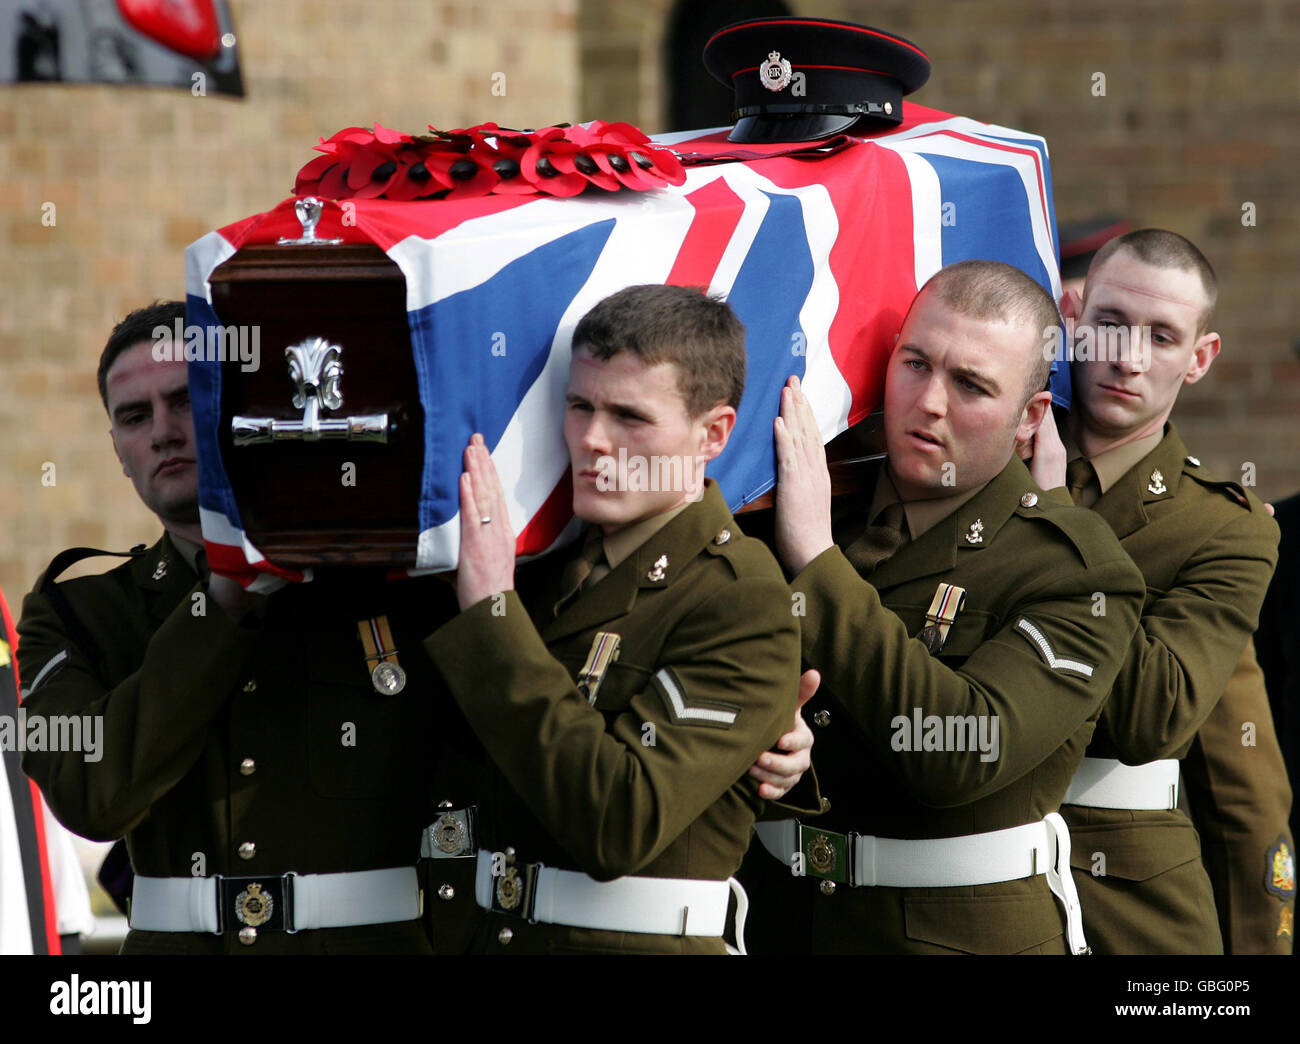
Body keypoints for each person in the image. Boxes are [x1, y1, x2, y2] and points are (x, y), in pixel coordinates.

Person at [19, 298, 815, 955]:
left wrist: (767, 749)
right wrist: (227, 598)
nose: (163, 430)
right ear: (116, 447)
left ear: (241, 412)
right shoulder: (78, 609)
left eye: (188, 403)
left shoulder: (395, 583)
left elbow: (563, 737)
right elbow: (95, 795)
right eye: (133, 415)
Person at [739, 259, 1145, 954]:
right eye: (914, 363)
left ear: (1030, 420)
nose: (929, 402)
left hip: (959, 935)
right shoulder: (793, 508)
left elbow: (962, 749)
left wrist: (815, 560)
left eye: (970, 386)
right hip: (786, 920)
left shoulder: (1076, 570)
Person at [423, 283, 808, 954]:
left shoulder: (739, 597)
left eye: (629, 417)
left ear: (713, 433)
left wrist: (493, 617)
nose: (593, 441)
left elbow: (616, 823)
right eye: (579, 406)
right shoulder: (541, 569)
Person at [1029, 228, 1288, 953]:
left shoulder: (1217, 527)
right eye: (1110, 324)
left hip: (1129, 904)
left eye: (1163, 337)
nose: (1128, 359)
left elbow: (1236, 777)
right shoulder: (984, 465)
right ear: (1072, 317)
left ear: (1199, 359)